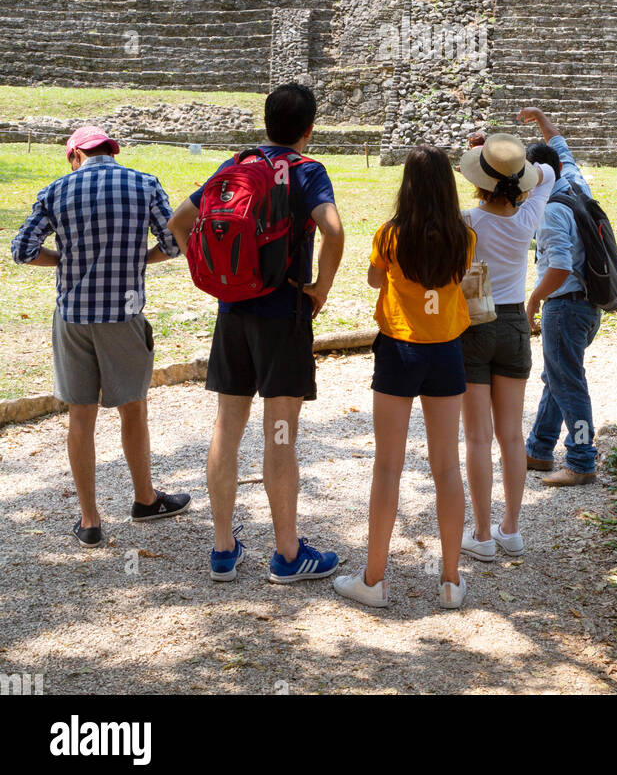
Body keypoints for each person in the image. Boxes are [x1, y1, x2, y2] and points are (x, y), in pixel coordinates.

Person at [168, 83, 345, 584]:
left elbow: (180, 220)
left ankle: (223, 549)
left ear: (266, 123)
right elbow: (333, 230)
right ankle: (287, 554)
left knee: (227, 426)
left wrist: (208, 272)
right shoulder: (308, 171)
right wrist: (320, 288)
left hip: (233, 314)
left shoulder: (234, 167)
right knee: (280, 433)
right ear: (309, 129)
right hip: (282, 317)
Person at [10, 126, 190, 545]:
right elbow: (175, 242)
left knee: (80, 415)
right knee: (133, 409)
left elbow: (22, 249)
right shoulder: (143, 184)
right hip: (123, 314)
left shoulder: (57, 190)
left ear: (76, 155)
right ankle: (145, 500)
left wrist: (65, 260)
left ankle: (90, 522)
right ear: (113, 151)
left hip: (73, 316)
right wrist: (139, 260)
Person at [335, 147, 475, 610]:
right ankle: (451, 580)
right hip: (447, 352)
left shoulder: (390, 235)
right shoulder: (464, 236)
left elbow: (375, 280)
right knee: (447, 467)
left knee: (388, 466)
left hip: (399, 349)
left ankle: (374, 580)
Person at [457, 131, 555, 561]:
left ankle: (480, 534)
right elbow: (549, 171)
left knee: (477, 438)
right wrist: (512, 165)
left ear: (478, 181)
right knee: (511, 435)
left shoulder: (466, 221)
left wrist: (481, 151)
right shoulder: (527, 217)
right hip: (515, 322)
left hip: (474, 324)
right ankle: (511, 530)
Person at [521, 106, 602, 487]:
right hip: (588, 305)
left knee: (569, 384)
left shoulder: (551, 212)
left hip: (565, 307)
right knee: (558, 377)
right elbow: (562, 147)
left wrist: (534, 299)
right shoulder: (574, 181)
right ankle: (538, 449)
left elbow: (560, 268)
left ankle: (582, 459)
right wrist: (541, 119)